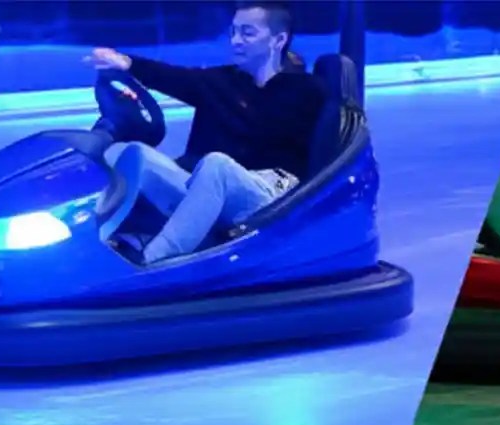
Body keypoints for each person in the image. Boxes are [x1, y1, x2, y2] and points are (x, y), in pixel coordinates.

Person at [86, 1, 326, 264]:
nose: (236, 40)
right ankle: (94, 244)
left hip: (270, 197)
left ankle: (151, 264)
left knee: (216, 165)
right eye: (233, 31)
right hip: (211, 186)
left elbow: (328, 160)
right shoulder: (223, 81)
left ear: (278, 40)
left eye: (247, 33)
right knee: (131, 153)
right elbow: (173, 77)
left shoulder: (309, 91)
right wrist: (126, 63)